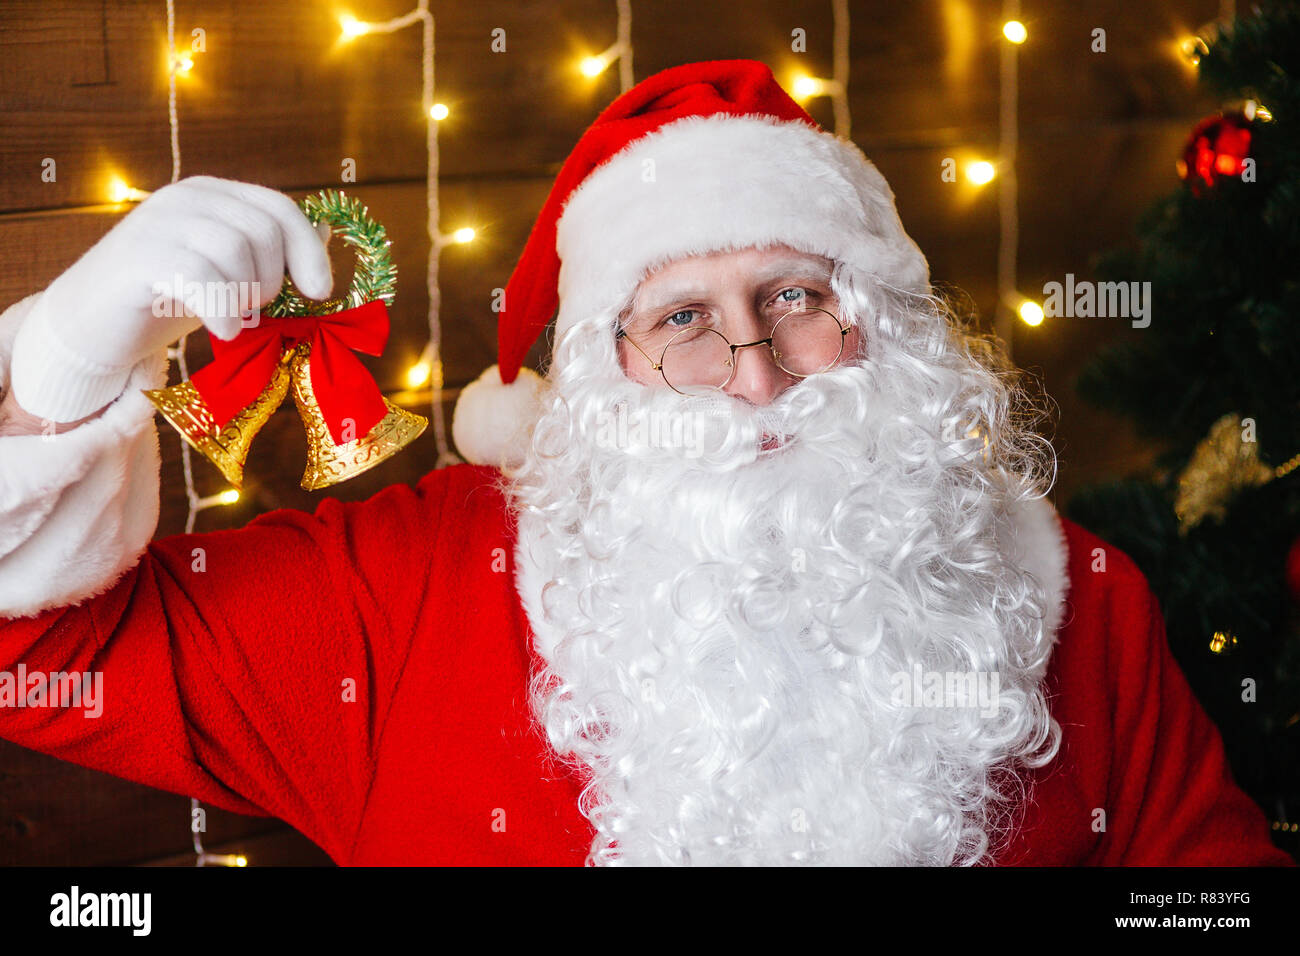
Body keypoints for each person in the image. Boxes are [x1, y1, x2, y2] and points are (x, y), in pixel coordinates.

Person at [0, 60, 1289, 867]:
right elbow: (43, 656)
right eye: (682, 319)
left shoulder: (1075, 595)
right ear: (602, 366)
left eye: (795, 296)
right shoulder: (407, 591)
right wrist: (57, 367)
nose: (755, 370)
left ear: (882, 324)